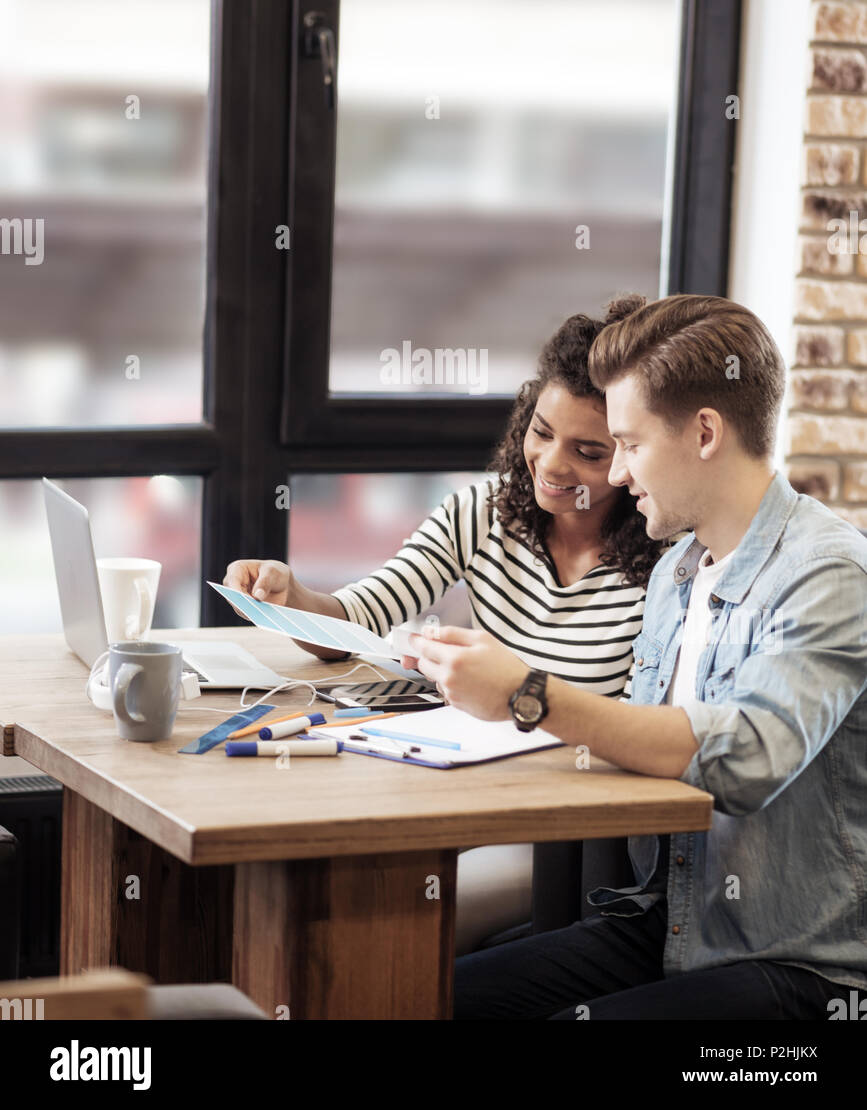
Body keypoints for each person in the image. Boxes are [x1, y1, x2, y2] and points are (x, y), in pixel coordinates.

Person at [400, 293, 867, 1019]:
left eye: (629, 443)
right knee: (429, 999)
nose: (615, 475)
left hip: (807, 967)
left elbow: (746, 758)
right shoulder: (674, 575)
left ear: (704, 432)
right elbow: (640, 750)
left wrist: (530, 693)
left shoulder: (826, 573)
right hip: (670, 924)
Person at [223, 298, 664, 948]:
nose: (549, 463)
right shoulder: (483, 511)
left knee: (373, 922)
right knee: (307, 889)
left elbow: (648, 742)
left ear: (629, 454)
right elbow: (357, 617)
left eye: (588, 451)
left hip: (566, 839)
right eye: (540, 431)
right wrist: (292, 599)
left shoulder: (666, 559)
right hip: (462, 794)